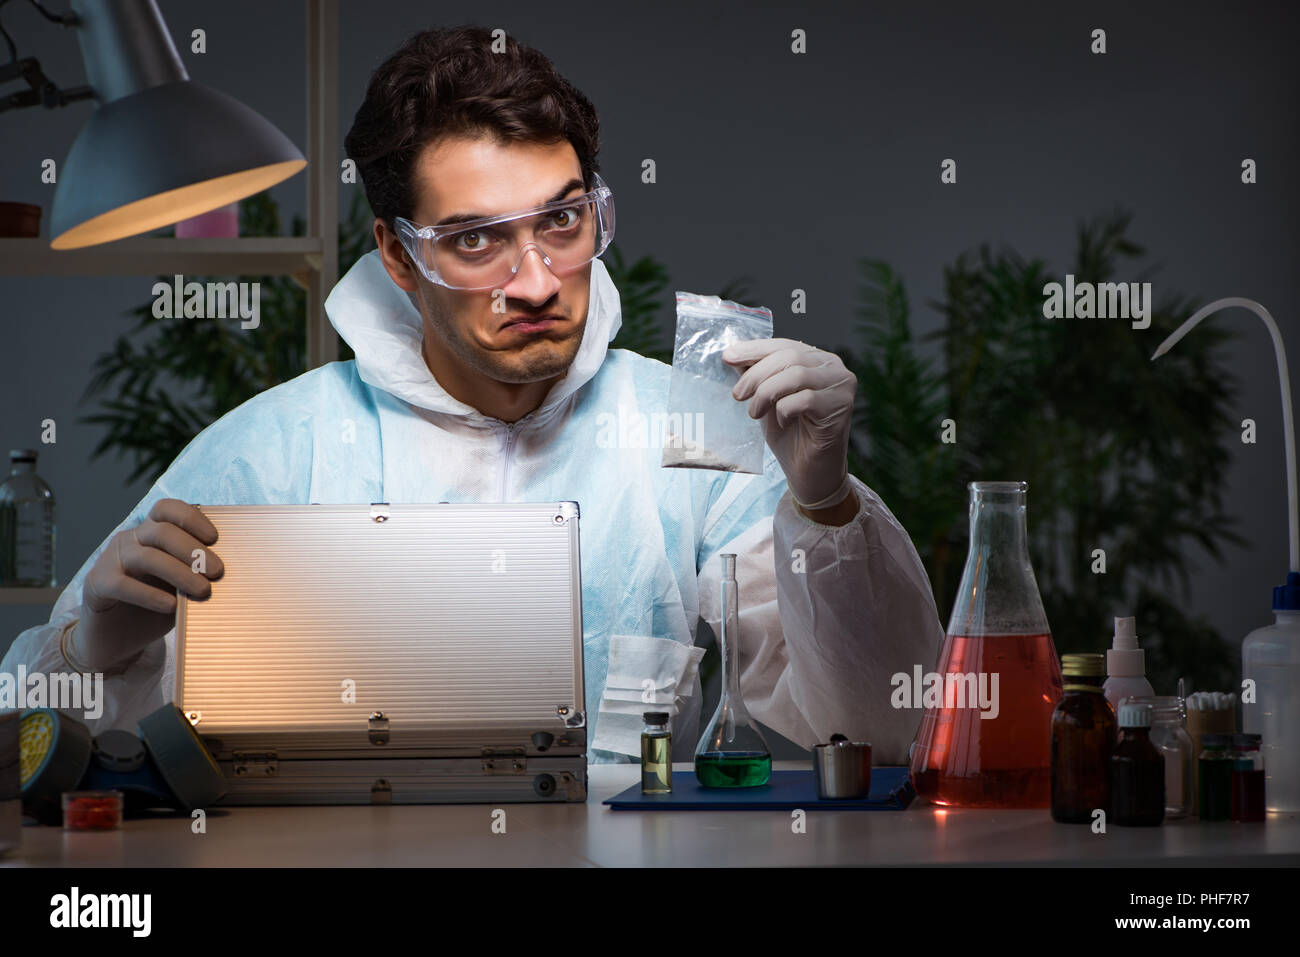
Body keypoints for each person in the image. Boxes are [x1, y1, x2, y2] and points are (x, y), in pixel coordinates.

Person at [1, 25, 943, 764]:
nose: (535, 282)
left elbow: (886, 724)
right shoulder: (276, 450)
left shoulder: (685, 430)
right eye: (476, 239)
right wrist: (94, 651)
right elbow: (24, 750)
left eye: (563, 219)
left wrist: (826, 503)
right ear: (396, 253)